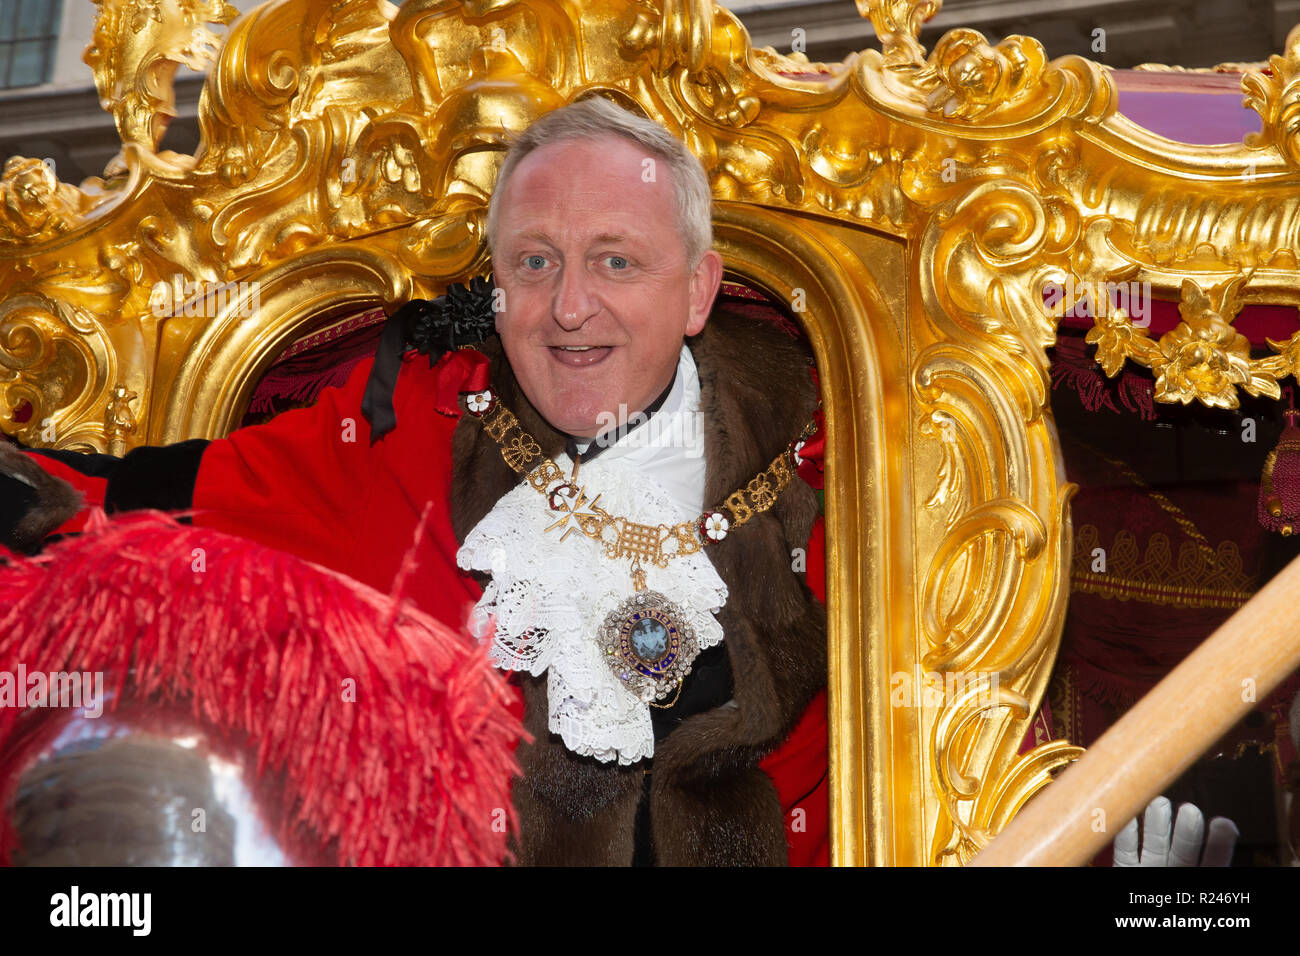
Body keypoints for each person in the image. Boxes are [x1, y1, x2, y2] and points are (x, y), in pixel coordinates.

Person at [0, 97, 829, 866]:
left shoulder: (836, 480)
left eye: (616, 261)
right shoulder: (400, 437)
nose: (570, 306)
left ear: (697, 291)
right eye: (535, 262)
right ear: (496, 287)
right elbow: (143, 499)